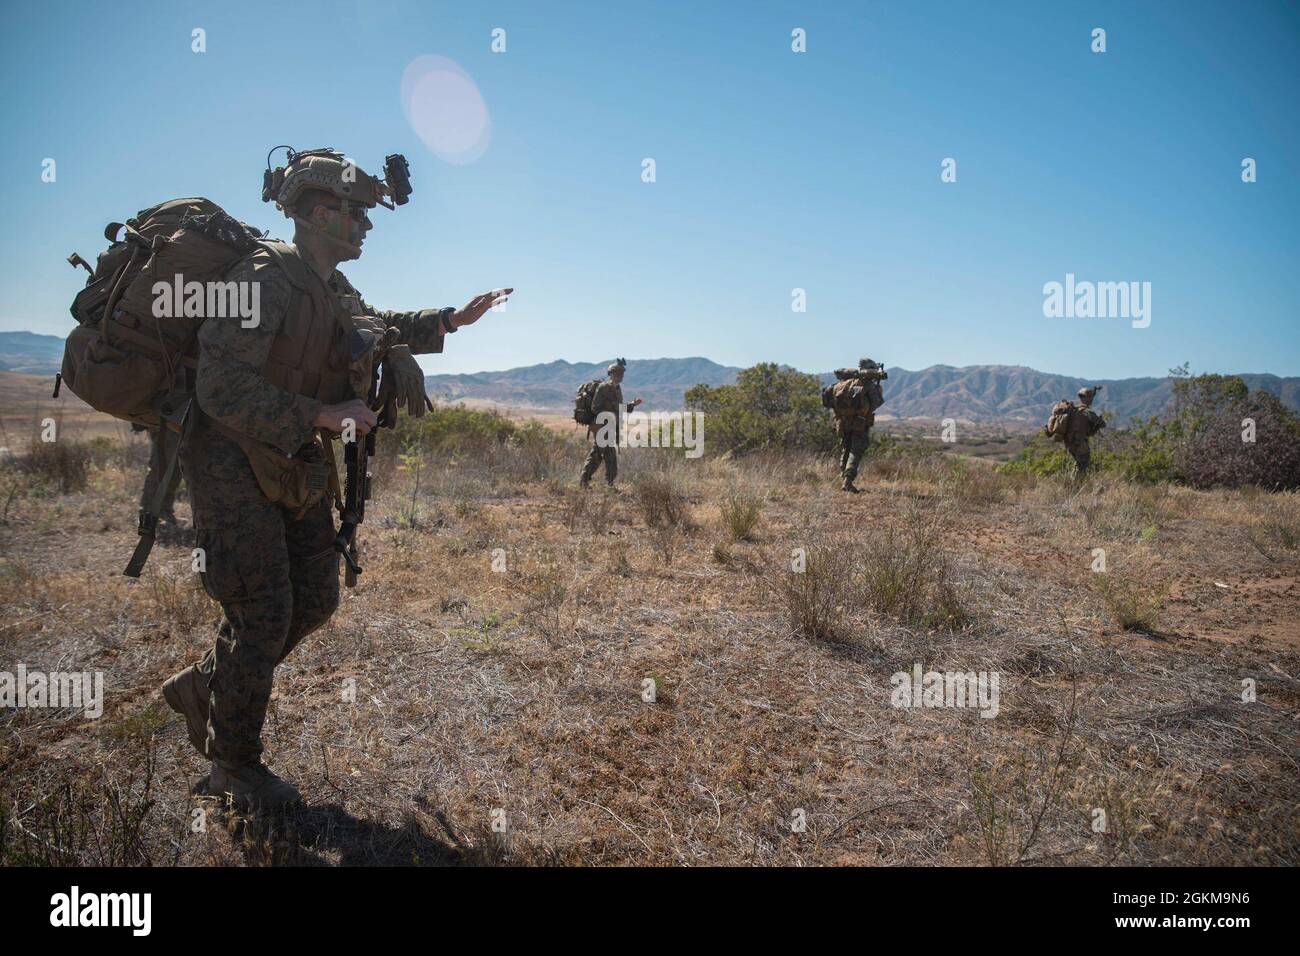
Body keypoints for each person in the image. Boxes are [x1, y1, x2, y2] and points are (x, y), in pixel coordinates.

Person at [161, 147, 511, 809]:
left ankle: (208, 687)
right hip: (233, 460)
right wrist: (322, 411)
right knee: (264, 614)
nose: (367, 228)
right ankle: (233, 765)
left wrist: (448, 321)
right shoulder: (263, 277)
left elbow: (374, 324)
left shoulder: (329, 286)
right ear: (322, 212)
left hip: (294, 457)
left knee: (315, 599)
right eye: (357, 215)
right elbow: (220, 385)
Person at [579, 359, 642, 489]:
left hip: (610, 427)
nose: (620, 376)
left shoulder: (618, 389)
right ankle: (608, 484)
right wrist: (612, 408)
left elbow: (619, 408)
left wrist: (632, 405)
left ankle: (585, 480)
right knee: (609, 455)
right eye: (618, 373)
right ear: (611, 374)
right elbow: (595, 408)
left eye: (622, 373)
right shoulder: (603, 388)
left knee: (597, 454)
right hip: (601, 426)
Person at [831, 358, 885, 494]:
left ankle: (843, 478)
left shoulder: (842, 384)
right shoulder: (867, 385)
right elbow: (876, 402)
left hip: (843, 422)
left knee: (846, 448)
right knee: (856, 451)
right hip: (860, 422)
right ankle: (847, 481)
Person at [133, 423, 184, 541]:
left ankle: (163, 513)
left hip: (176, 421)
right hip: (168, 420)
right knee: (162, 469)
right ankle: (150, 517)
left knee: (174, 471)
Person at [1065, 385, 1106, 477]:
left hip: (1070, 442)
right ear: (1088, 398)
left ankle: (1073, 485)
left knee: (1079, 463)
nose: (1092, 399)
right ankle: (1075, 487)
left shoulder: (1074, 410)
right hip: (1079, 442)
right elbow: (1102, 424)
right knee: (1083, 464)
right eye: (1091, 397)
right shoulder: (1087, 412)